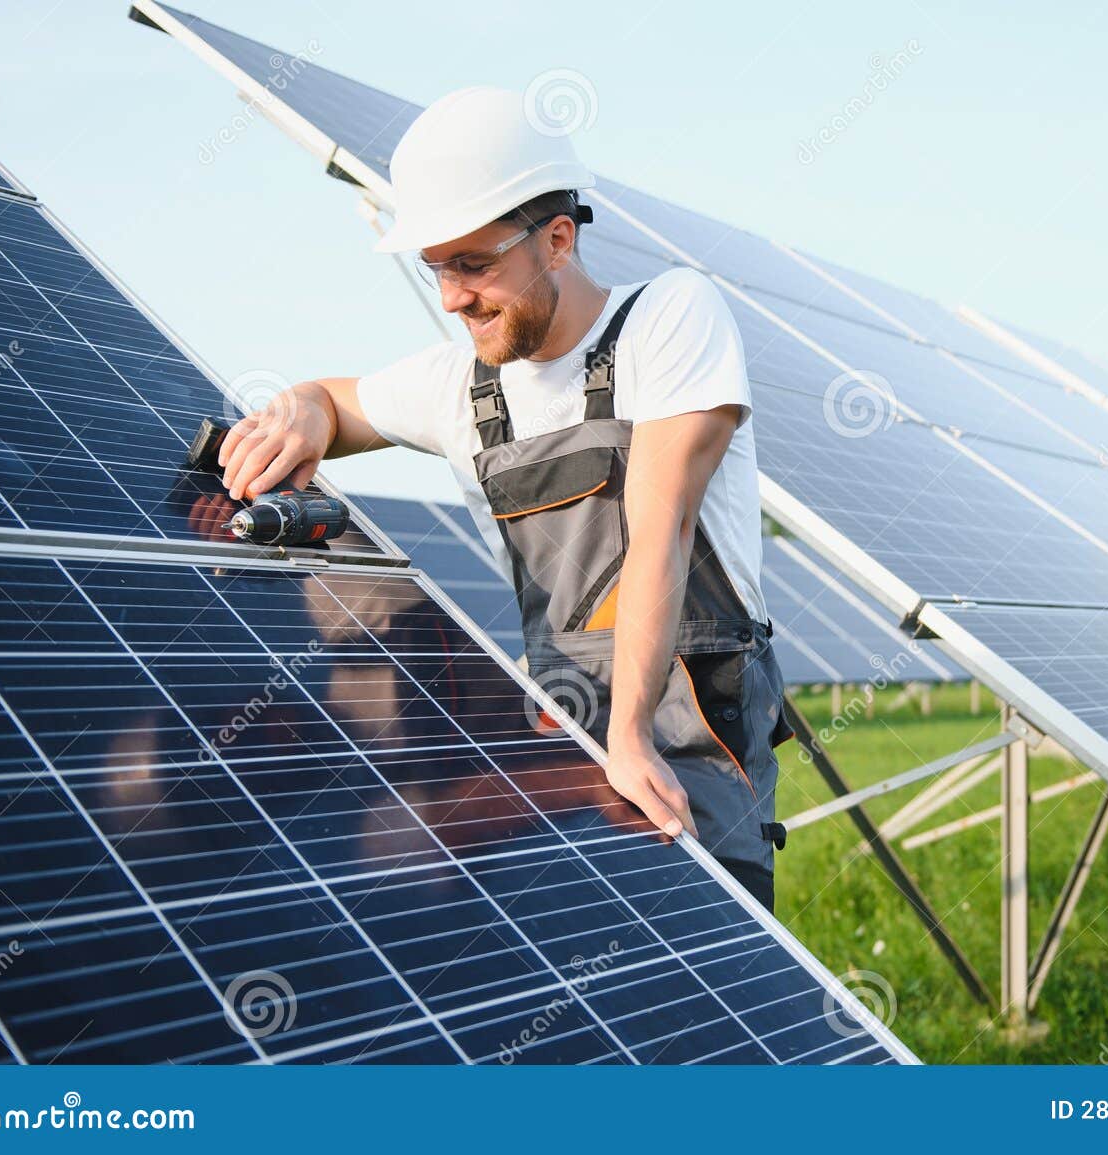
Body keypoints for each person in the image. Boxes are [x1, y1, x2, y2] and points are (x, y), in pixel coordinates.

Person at [215, 86, 790, 909]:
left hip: (688, 732)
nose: (452, 298)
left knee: (708, 980)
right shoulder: (458, 386)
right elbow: (331, 400)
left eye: (474, 265)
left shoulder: (669, 319)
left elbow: (659, 528)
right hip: (561, 734)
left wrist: (626, 738)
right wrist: (304, 408)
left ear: (557, 240)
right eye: (437, 269)